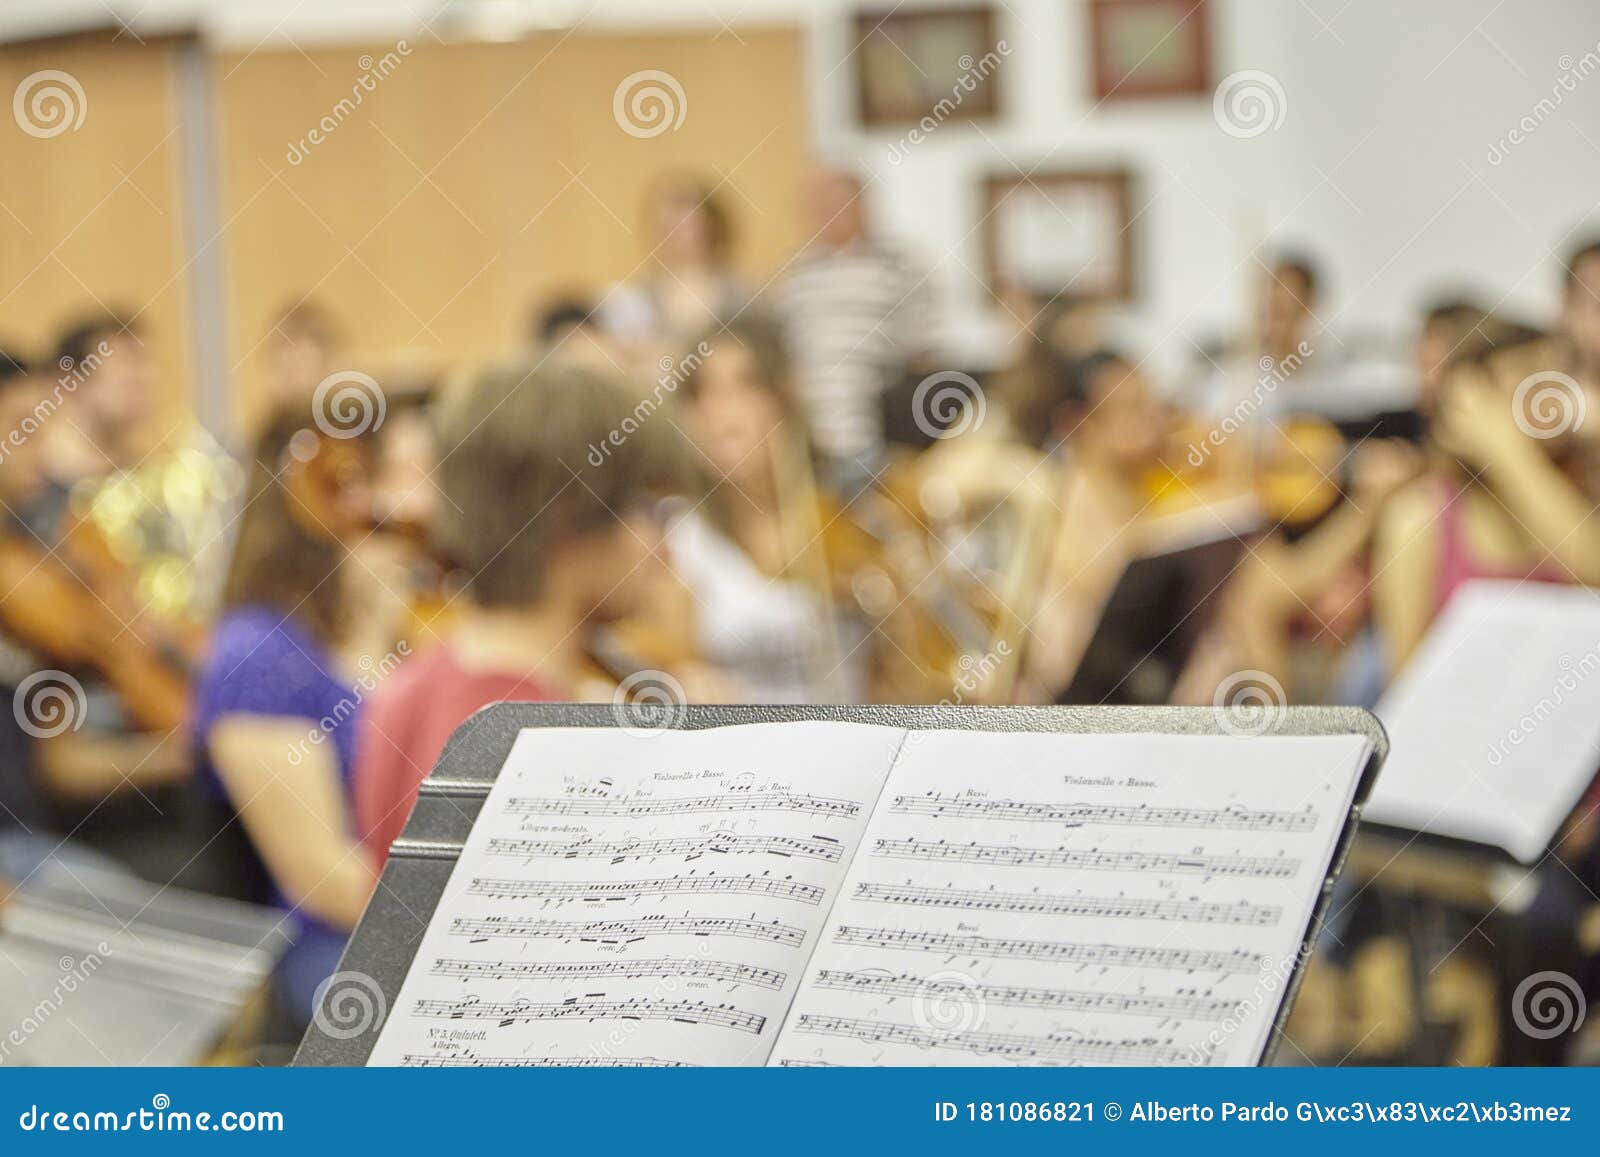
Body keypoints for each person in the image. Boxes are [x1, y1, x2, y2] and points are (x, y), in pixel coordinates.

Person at [354, 359, 688, 865]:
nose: (666, 547)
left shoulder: (409, 685)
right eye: (649, 509)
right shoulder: (535, 742)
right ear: (570, 513)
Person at [188, 411, 381, 1037]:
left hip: (397, 919)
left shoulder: (391, 629)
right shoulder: (257, 652)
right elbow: (321, 878)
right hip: (330, 948)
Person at [664, 322, 853, 702]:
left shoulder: (847, 513)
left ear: (783, 397)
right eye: (700, 393)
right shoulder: (680, 539)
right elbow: (668, 655)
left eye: (745, 386)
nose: (717, 411)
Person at [773, 165, 936, 484]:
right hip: (812, 422)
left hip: (881, 411)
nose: (831, 215)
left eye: (841, 204)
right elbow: (784, 344)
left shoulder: (901, 265)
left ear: (863, 207)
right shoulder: (797, 273)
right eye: (822, 207)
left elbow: (922, 348)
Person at [601, 175, 750, 370]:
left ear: (711, 226)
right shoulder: (635, 297)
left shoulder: (741, 293)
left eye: (687, 224)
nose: (677, 233)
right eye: (668, 225)